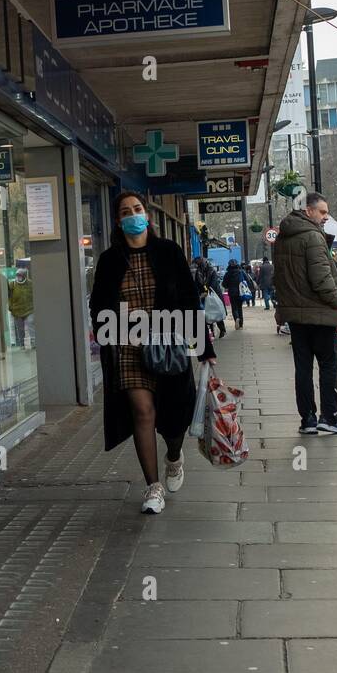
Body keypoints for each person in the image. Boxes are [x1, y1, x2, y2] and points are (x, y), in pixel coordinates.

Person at [91, 191, 216, 515]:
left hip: (169, 344)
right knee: (142, 412)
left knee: (175, 421)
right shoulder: (109, 260)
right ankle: (153, 486)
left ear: (146, 215)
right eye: (125, 211)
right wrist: (109, 338)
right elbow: (98, 305)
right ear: (118, 221)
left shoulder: (168, 252)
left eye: (137, 209)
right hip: (129, 345)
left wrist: (204, 347)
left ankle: (173, 457)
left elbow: (189, 299)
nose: (132, 214)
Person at [273, 191, 337, 435]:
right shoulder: (313, 237)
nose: (326, 217)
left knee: (302, 368)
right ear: (308, 211)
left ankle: (307, 419)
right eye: (322, 212)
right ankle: (329, 416)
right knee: (328, 365)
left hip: (296, 316)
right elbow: (321, 278)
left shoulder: (284, 238)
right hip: (320, 313)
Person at [193, 256, 227, 339]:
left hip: (213, 293)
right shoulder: (198, 272)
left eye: (198, 263)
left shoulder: (211, 271)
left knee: (216, 311)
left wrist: (207, 291)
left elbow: (214, 283)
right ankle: (211, 332)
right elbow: (197, 283)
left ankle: (222, 330)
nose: (198, 265)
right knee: (208, 313)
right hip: (204, 294)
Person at [222, 259, 256, 329]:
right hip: (241, 292)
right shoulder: (241, 272)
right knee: (240, 308)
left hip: (232, 293)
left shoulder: (228, 273)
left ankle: (236, 318)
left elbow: (224, 284)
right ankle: (241, 325)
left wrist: (228, 286)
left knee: (234, 308)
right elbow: (248, 280)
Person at [7, 266, 34, 348]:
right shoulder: (12, 284)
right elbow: (7, 296)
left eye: (20, 275)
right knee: (20, 328)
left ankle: (33, 342)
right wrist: (11, 307)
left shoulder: (30, 284)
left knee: (31, 322)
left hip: (29, 309)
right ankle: (21, 343)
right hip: (17, 311)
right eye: (17, 275)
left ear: (24, 276)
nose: (18, 277)